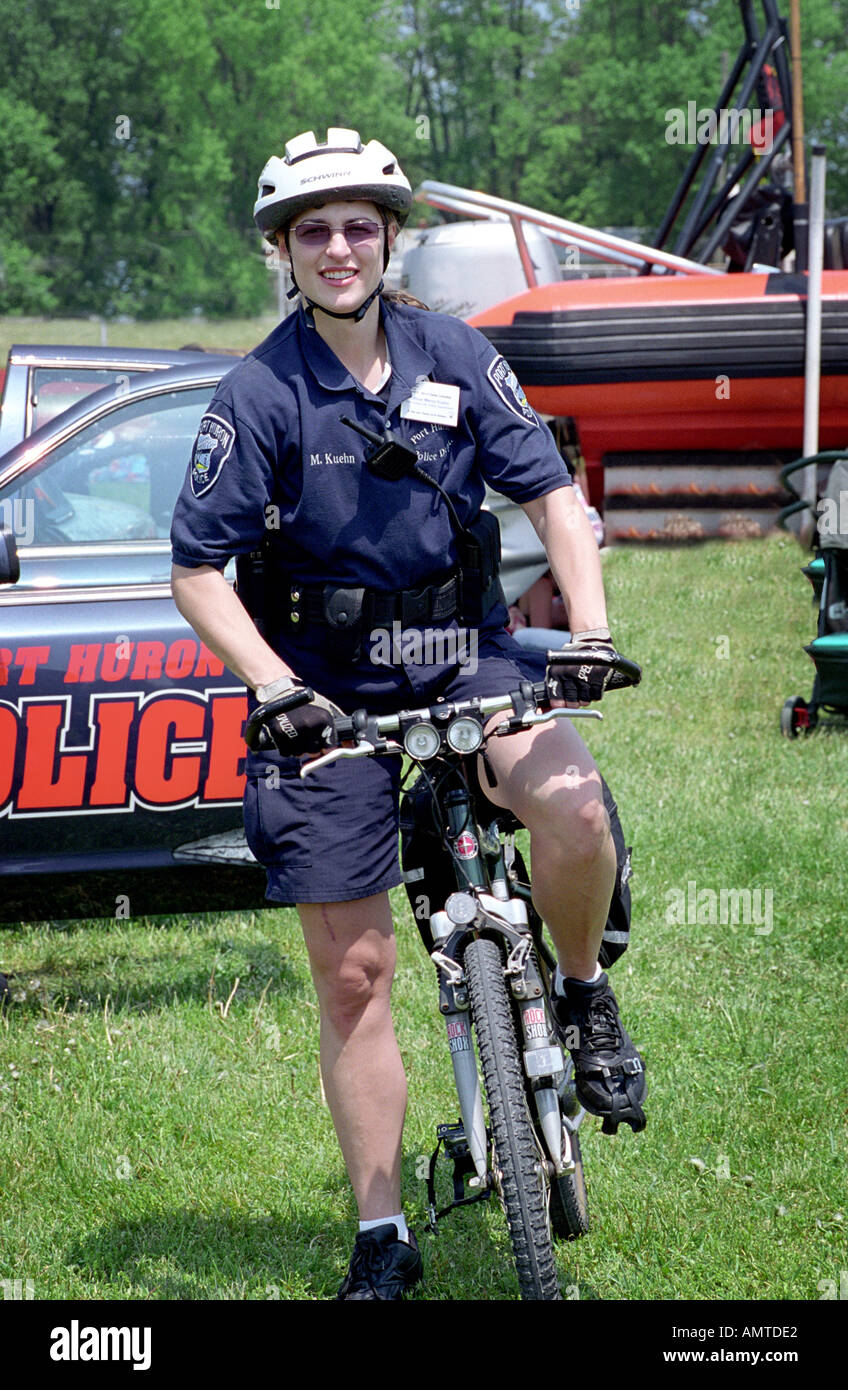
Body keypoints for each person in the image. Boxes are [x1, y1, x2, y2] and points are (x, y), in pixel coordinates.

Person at [169, 128, 646, 1301]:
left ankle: (582, 992)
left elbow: (553, 498)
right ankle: (382, 1235)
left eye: (359, 225)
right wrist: (272, 687)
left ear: (389, 237)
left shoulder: (454, 354)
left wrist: (582, 632)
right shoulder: (259, 391)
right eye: (314, 230)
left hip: (464, 653)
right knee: (356, 975)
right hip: (322, 689)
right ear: (284, 250)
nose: (339, 247)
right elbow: (196, 570)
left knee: (574, 809)